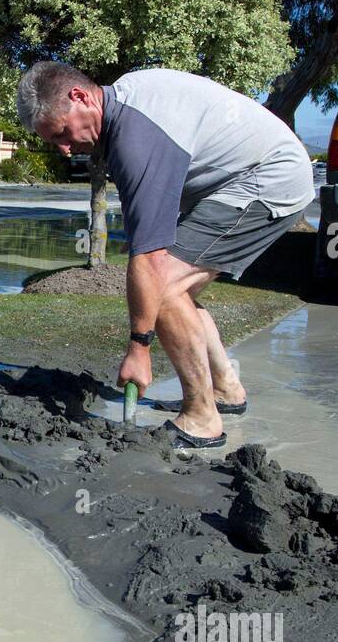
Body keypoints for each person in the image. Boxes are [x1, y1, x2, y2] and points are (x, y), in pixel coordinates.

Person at [16, 61, 314, 449]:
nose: (65, 148)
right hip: (235, 181)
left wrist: (139, 348)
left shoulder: (136, 136)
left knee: (167, 288)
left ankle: (202, 418)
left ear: (80, 97)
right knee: (177, 288)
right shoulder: (126, 107)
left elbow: (150, 257)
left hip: (267, 179)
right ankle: (225, 388)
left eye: (62, 133)